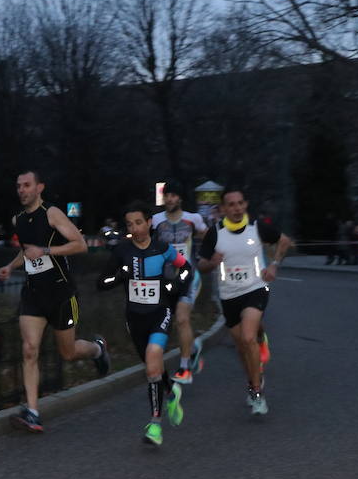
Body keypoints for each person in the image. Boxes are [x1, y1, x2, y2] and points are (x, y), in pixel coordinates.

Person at [0, 169, 111, 432]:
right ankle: (33, 413)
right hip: (33, 295)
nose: (22, 190)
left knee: (67, 353)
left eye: (27, 185)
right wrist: (10, 266)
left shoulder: (52, 213)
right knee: (29, 349)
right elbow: (27, 252)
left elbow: (80, 244)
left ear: (40, 188)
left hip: (61, 295)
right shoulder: (18, 220)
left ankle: (97, 349)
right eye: (18, 186)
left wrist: (46, 250)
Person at [99, 203, 193, 445]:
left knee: (153, 360)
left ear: (149, 222)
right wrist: (119, 275)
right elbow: (102, 282)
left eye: (139, 222)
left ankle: (155, 425)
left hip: (161, 312)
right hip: (135, 318)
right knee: (153, 368)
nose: (135, 228)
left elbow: (186, 270)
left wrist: (173, 288)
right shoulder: (121, 251)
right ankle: (171, 392)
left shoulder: (163, 249)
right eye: (130, 224)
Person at [196, 188, 292, 415]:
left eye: (240, 203)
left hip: (255, 288)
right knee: (241, 347)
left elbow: (284, 241)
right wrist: (212, 262)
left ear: (246, 205)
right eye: (231, 205)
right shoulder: (215, 233)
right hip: (229, 295)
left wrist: (274, 265)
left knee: (248, 338)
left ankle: (256, 391)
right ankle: (253, 378)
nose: (237, 208)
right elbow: (201, 265)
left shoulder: (257, 227)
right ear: (222, 209)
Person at [150, 182, 207, 384]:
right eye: (167, 195)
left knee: (182, 319)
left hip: (188, 278)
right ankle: (193, 347)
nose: (170, 199)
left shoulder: (193, 219)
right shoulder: (156, 221)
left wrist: (204, 258)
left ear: (180, 198)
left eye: (174, 195)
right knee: (172, 322)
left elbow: (208, 236)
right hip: (166, 280)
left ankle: (185, 369)